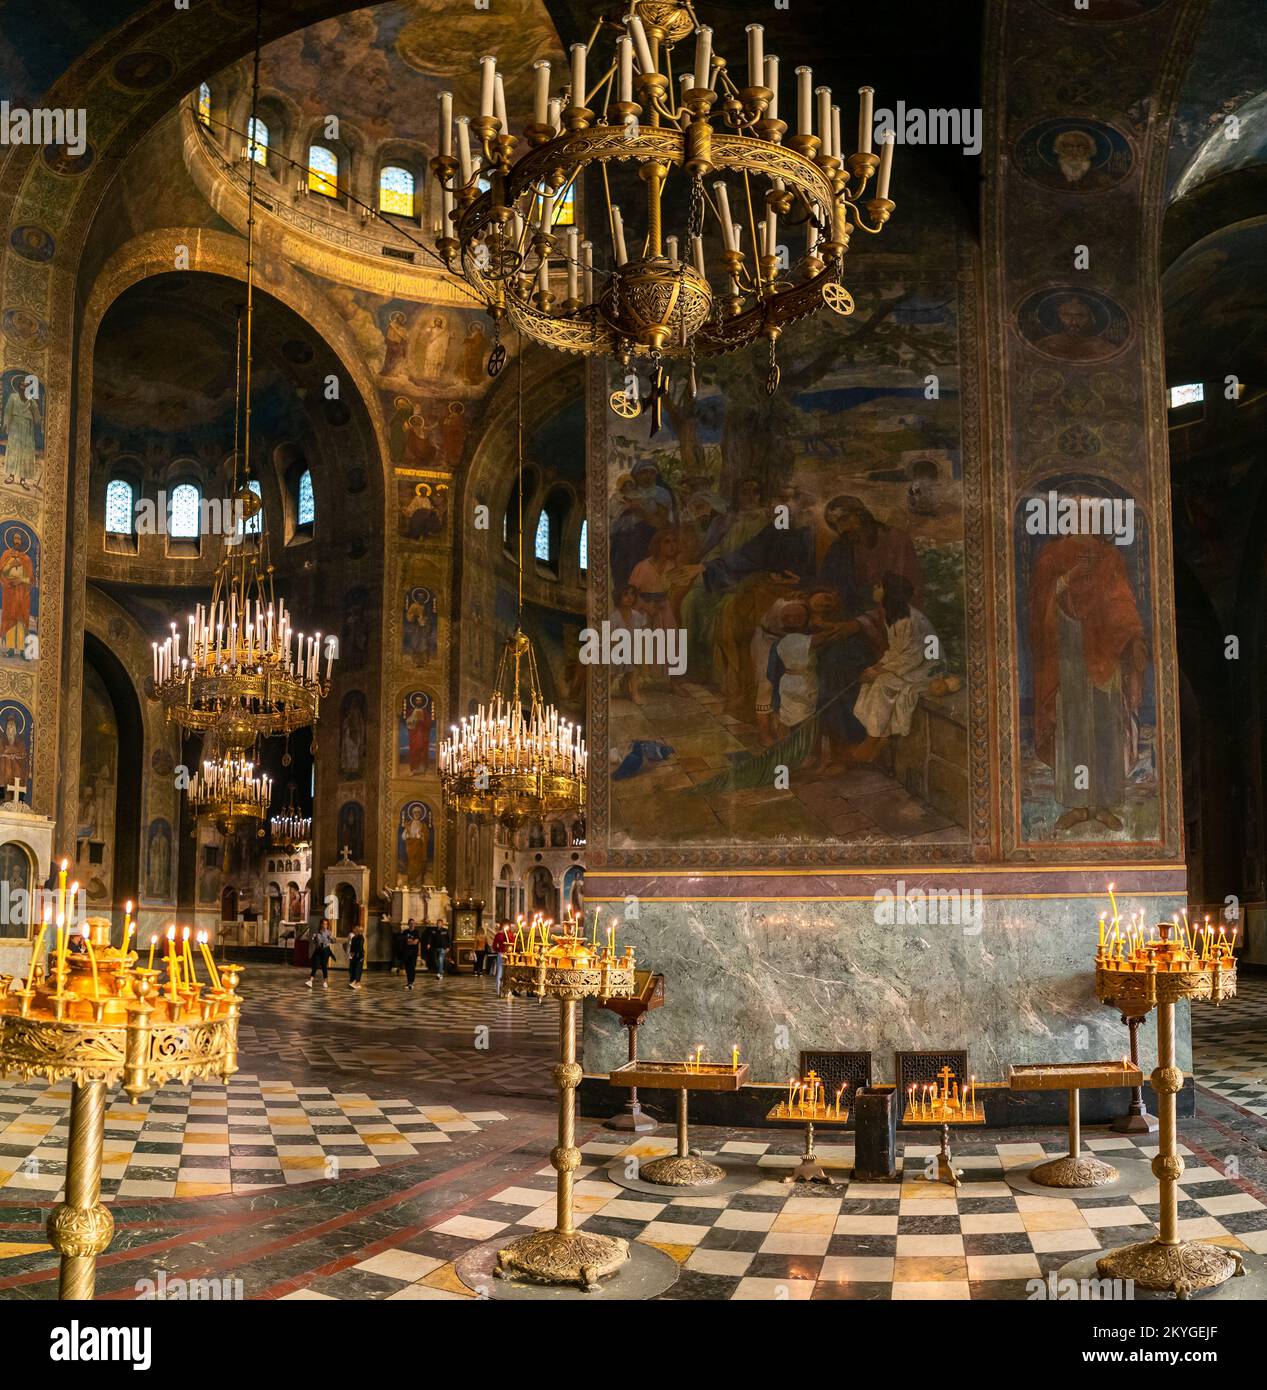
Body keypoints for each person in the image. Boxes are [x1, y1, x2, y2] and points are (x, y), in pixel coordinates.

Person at [306, 920, 334, 989]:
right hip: (318, 950)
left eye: (326, 924)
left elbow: (333, 941)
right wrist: (314, 938)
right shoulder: (317, 932)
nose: (324, 925)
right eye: (323, 924)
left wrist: (331, 938)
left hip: (325, 950)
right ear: (321, 924)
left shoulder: (329, 932)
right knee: (315, 965)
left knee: (324, 966)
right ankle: (310, 981)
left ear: (327, 925)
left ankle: (325, 982)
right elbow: (314, 941)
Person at [400, 919, 421, 989]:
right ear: (408, 924)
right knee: (407, 967)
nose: (412, 925)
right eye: (410, 923)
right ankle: (409, 982)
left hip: (413, 952)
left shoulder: (416, 932)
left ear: (415, 924)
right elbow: (404, 941)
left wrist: (409, 941)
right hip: (406, 952)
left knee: (412, 967)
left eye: (413, 923)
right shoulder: (405, 932)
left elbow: (415, 942)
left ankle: (411, 982)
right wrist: (409, 941)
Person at [491, 921, 509, 992]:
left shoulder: (498, 935)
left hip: (501, 953)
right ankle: (507, 990)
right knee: (508, 972)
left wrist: (498, 950)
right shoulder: (510, 934)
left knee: (500, 971)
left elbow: (494, 946)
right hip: (508, 954)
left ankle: (499, 990)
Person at [347, 923, 365, 990]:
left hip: (360, 955)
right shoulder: (354, 938)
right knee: (353, 968)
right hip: (354, 955)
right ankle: (355, 982)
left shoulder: (361, 938)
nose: (354, 930)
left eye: (356, 930)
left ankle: (356, 982)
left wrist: (358, 954)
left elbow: (360, 947)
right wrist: (351, 953)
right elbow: (352, 946)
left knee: (358, 969)